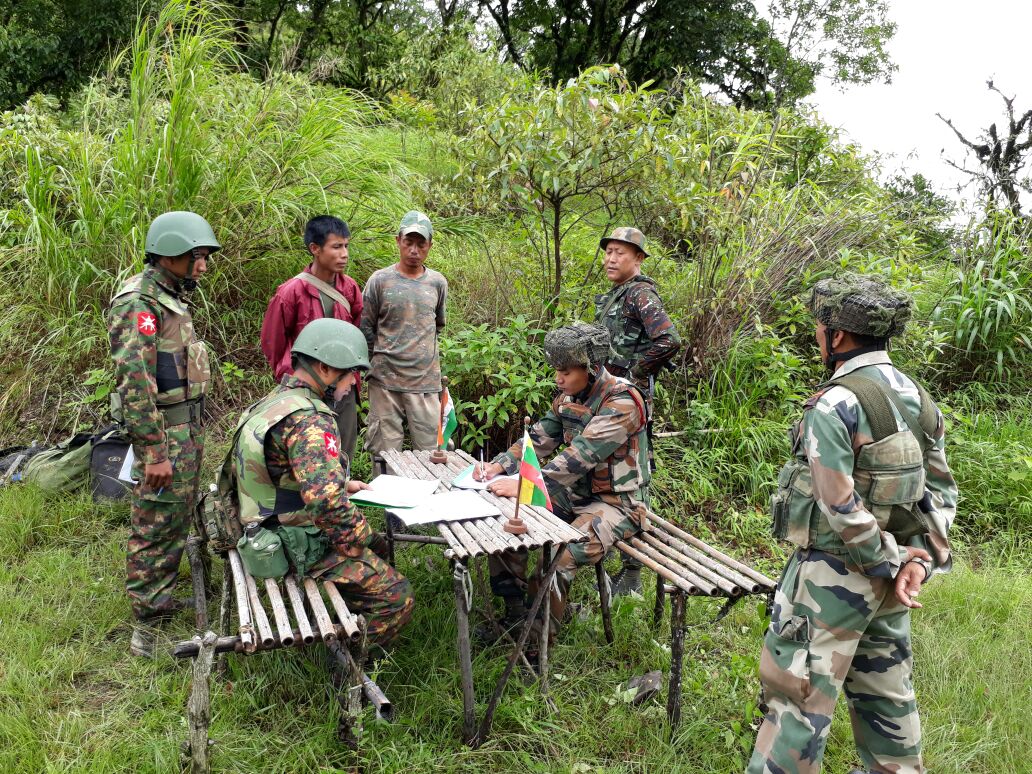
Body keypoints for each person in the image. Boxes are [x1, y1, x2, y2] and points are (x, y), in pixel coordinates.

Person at [747, 274, 957, 774]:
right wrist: (917, 562)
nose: (817, 336)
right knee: (888, 702)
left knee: (796, 701)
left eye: (819, 328)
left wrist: (888, 560)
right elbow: (942, 493)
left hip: (830, 579)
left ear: (836, 336)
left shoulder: (835, 403)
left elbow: (838, 506)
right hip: (892, 581)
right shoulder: (917, 397)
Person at [230, 318, 413, 647]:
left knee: (374, 546)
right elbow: (326, 505)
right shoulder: (311, 420)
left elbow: (285, 473)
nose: (351, 385)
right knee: (397, 596)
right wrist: (364, 536)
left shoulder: (276, 401)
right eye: (350, 375)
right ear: (326, 368)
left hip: (259, 521)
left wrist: (342, 484)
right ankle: (350, 664)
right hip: (289, 537)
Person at [477, 322, 652, 646]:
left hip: (616, 504)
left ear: (591, 368)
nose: (558, 379)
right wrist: (500, 465)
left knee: (560, 556)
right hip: (571, 495)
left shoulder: (623, 402)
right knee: (508, 520)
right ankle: (515, 615)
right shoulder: (570, 396)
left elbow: (581, 455)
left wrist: (528, 485)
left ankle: (534, 645)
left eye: (566, 371)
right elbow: (541, 437)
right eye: (556, 370)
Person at [108, 210, 220, 658]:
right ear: (170, 254)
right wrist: (154, 451)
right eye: (196, 257)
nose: (203, 266)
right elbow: (135, 383)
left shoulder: (169, 294)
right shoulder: (139, 302)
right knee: (156, 522)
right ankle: (148, 627)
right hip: (165, 433)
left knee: (180, 512)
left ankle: (175, 593)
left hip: (184, 427)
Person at [593, 226, 681, 596]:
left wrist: (632, 373)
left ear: (639, 259)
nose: (612, 258)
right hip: (608, 400)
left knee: (631, 480)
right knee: (609, 477)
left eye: (621, 253)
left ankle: (633, 575)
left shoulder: (641, 294)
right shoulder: (617, 295)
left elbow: (669, 340)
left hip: (629, 404)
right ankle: (612, 557)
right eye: (609, 251)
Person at [260, 215, 364, 463]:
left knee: (343, 451)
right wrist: (293, 381)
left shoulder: (350, 289)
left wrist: (352, 377)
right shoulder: (291, 292)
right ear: (315, 249)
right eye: (336, 247)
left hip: (343, 388)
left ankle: (341, 496)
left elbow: (357, 335)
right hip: (306, 390)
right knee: (310, 453)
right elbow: (273, 342)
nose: (344, 254)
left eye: (346, 246)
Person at [360, 210, 447, 461]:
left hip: (425, 384)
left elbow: (436, 325)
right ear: (398, 241)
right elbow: (366, 329)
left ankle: (430, 500)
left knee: (432, 453)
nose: (414, 250)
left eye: (421, 243)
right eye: (408, 242)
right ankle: (384, 500)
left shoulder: (437, 283)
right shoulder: (380, 280)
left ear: (430, 245)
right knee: (384, 455)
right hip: (384, 382)